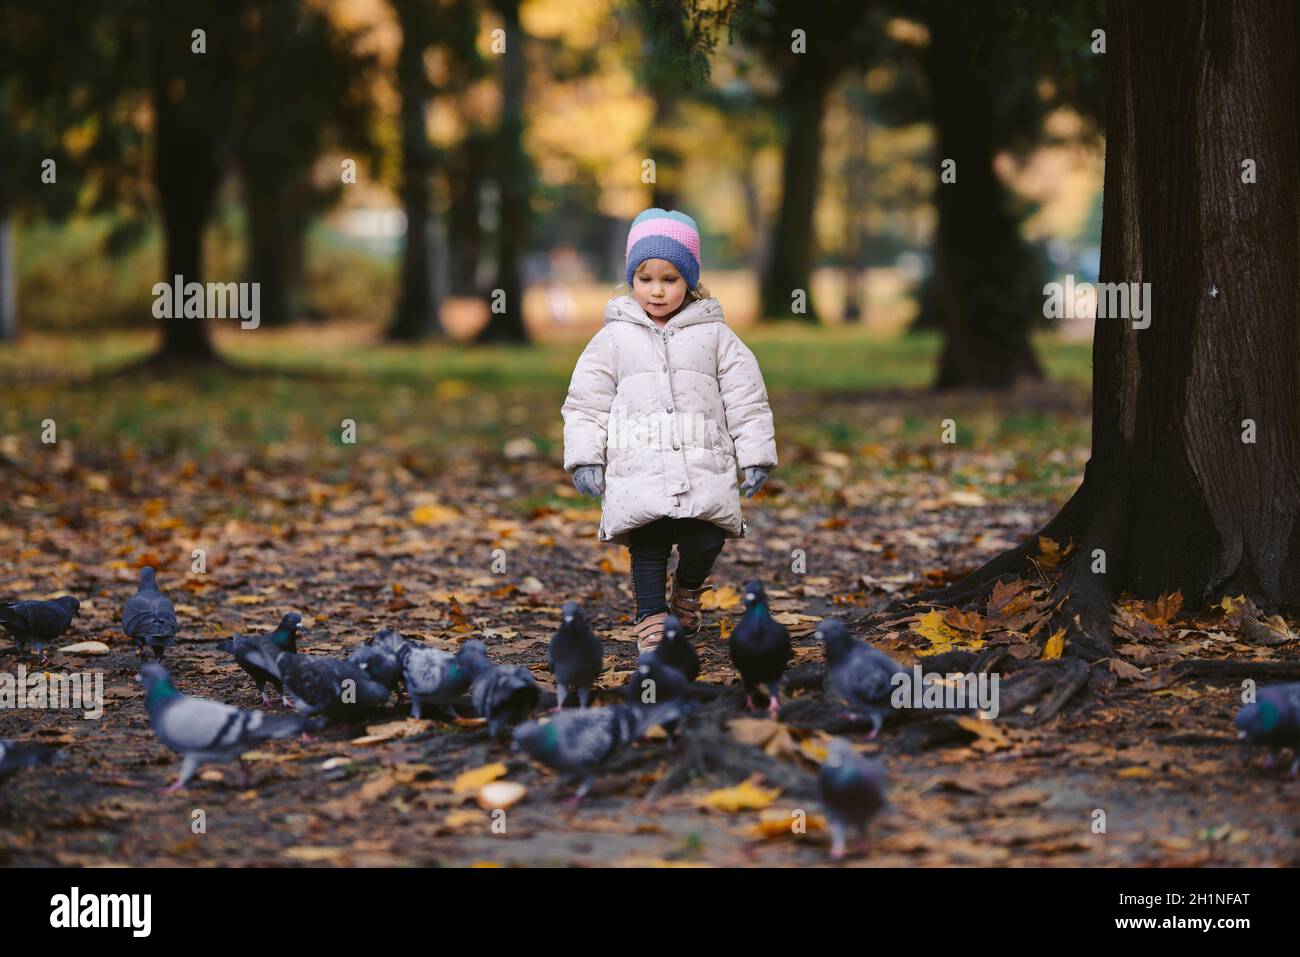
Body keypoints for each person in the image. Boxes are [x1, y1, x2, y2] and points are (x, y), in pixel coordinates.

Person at [561, 208, 778, 652]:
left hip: (703, 463)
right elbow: (586, 401)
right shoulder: (613, 338)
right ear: (631, 279)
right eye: (645, 278)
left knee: (706, 537)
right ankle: (650, 619)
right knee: (648, 540)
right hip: (638, 462)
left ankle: (688, 592)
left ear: (691, 282)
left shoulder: (716, 335)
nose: (657, 291)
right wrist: (585, 456)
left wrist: (755, 455)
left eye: (670, 279)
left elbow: (747, 398)